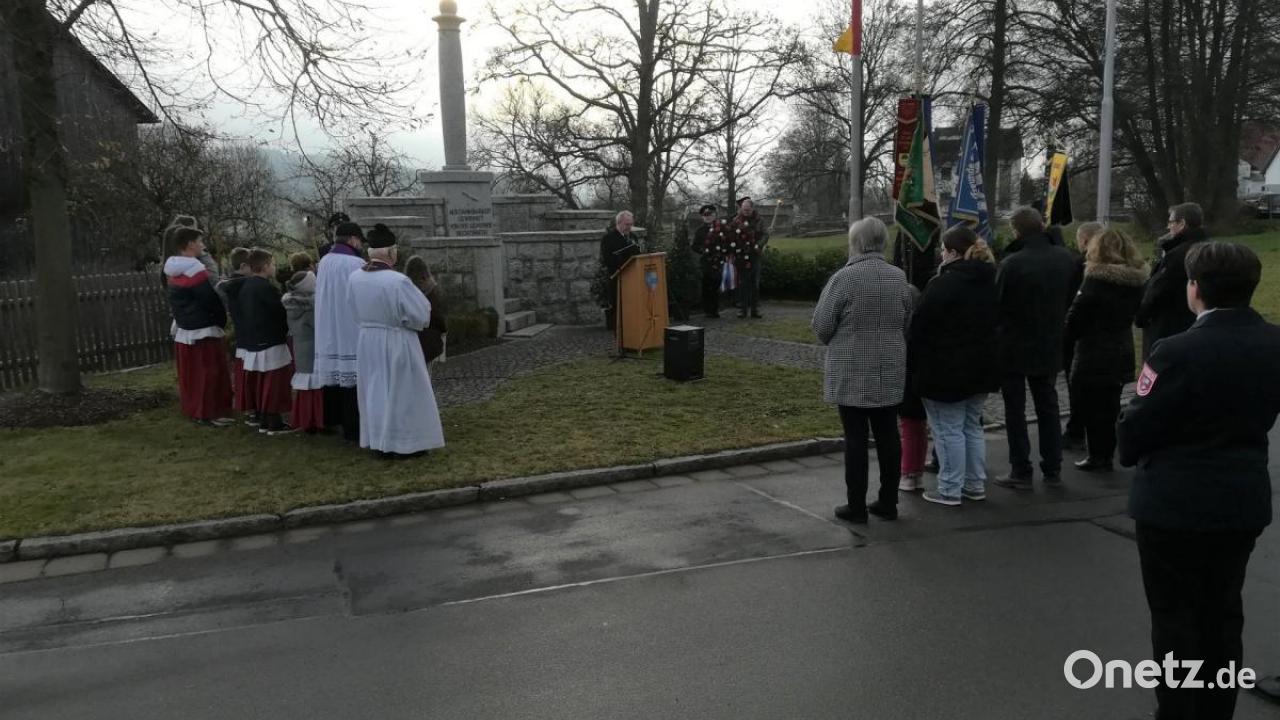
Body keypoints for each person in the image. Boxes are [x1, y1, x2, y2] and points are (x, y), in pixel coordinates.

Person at [1117, 241, 1280, 720]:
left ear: (1195, 290)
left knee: (1174, 621)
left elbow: (1135, 432)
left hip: (1173, 505)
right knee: (1223, 614)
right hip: (1241, 498)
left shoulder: (1176, 351)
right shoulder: (1274, 343)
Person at [813, 217, 913, 523]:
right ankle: (888, 500)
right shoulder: (898, 277)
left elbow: (821, 325)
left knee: (855, 437)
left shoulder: (844, 278)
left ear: (855, 242)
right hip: (890, 366)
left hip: (852, 368)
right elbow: (907, 318)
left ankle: (855, 505)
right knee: (888, 435)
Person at [909, 225, 1001, 506]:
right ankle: (974, 484)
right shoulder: (992, 280)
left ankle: (949, 488)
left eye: (942, 251)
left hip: (944, 369)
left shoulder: (944, 283)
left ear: (951, 253)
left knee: (947, 429)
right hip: (981, 366)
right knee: (971, 426)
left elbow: (920, 325)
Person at [993, 207, 1077, 490]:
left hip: (1014, 344)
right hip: (1050, 341)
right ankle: (1052, 468)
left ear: (1016, 231)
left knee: (1015, 409)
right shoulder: (1066, 259)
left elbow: (999, 306)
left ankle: (1021, 468)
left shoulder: (1012, 263)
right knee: (1048, 406)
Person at [348, 224, 445, 457]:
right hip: (397, 341)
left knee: (376, 391)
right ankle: (406, 444)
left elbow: (352, 309)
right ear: (391, 253)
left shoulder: (355, 278)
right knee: (402, 392)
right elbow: (421, 315)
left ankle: (380, 441)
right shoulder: (397, 281)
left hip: (368, 341)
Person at [1063, 228, 1147, 472]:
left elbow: (1076, 316)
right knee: (1110, 404)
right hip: (1121, 345)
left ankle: (1097, 454)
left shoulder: (1095, 279)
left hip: (1093, 349)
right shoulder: (1137, 280)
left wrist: (1066, 336)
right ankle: (1106, 452)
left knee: (1088, 404)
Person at [163, 226, 235, 427]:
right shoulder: (194, 269)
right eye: (199, 241)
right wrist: (220, 318)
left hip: (185, 327)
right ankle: (208, 412)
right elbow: (208, 299)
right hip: (202, 328)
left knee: (193, 374)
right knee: (208, 372)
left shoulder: (173, 268)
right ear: (189, 244)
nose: (202, 246)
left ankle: (194, 408)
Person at [1136, 202, 1209, 361]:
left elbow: (1158, 288)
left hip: (1167, 325)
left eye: (1171, 222)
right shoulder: (1208, 249)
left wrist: (1141, 315)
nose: (1168, 226)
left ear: (1182, 223)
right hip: (1196, 321)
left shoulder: (1177, 255)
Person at [315, 221, 366, 442]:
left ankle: (335, 420)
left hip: (329, 324)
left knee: (337, 374)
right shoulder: (356, 263)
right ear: (353, 240)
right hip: (349, 325)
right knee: (352, 377)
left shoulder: (325, 260)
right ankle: (354, 428)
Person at [237, 249, 294, 434]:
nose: (275, 267)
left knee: (262, 383)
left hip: (254, 339)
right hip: (270, 339)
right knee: (274, 383)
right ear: (265, 266)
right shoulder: (266, 288)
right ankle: (273, 422)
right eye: (273, 264)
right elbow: (278, 313)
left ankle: (263, 419)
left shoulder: (246, 286)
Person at [1063, 221, 1106, 451]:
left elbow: (1072, 300)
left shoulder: (1082, 266)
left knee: (1078, 385)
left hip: (1082, 336)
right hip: (1113, 338)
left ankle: (1078, 430)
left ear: (1086, 240)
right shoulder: (1122, 265)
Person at [282, 268, 324, 433]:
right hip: (312, 349)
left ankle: (304, 419)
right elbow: (317, 327)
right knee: (314, 388)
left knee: (305, 389)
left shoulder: (291, 305)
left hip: (300, 348)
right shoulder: (309, 308)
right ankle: (314, 421)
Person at [897, 284, 929, 493]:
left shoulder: (903, 332)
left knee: (909, 425)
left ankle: (908, 472)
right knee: (919, 426)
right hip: (924, 373)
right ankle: (915, 471)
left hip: (908, 375)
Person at [218, 246, 256, 422]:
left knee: (244, 373)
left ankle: (248, 407)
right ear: (243, 266)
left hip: (241, 333)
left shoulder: (231, 285)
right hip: (250, 332)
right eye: (251, 265)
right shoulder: (244, 285)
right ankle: (252, 407)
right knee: (251, 374)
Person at [599, 210, 642, 330]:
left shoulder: (633, 237)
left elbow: (638, 256)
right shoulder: (608, 238)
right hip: (617, 277)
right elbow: (607, 260)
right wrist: (624, 256)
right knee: (619, 309)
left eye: (631, 224)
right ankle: (621, 335)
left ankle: (633, 329)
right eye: (627, 224)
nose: (629, 227)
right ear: (619, 223)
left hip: (633, 278)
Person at [725, 197, 766, 319]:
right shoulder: (736, 221)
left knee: (754, 283)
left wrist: (759, 244)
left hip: (755, 254)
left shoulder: (759, 220)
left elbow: (765, 234)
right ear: (741, 209)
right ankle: (742, 310)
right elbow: (730, 235)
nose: (746, 212)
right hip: (741, 255)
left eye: (748, 210)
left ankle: (754, 310)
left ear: (752, 208)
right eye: (744, 210)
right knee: (742, 283)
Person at [405, 255, 448, 364]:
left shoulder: (405, 290)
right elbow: (439, 318)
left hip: (409, 343)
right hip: (429, 341)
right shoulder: (431, 291)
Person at [691, 204, 725, 318]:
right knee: (707, 285)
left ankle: (715, 309)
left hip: (718, 260)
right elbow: (694, 246)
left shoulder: (721, 228)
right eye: (705, 215)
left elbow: (726, 242)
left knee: (716, 284)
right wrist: (703, 250)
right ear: (702, 217)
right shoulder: (700, 231)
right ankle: (707, 310)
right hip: (706, 261)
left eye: (710, 215)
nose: (708, 217)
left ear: (715, 215)